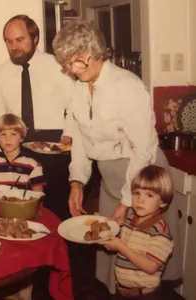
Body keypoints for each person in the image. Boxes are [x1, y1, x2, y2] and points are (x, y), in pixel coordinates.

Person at [52, 19, 182, 294]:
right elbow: (79, 142)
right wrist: (77, 182)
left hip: (144, 181)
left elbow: (142, 150)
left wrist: (127, 200)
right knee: (117, 266)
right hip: (112, 181)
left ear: (95, 52)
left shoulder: (127, 86)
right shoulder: (77, 90)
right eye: (67, 63)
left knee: (146, 263)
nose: (72, 69)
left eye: (77, 61)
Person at [0, 14, 75, 220]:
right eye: (9, 41)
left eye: (20, 40)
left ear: (35, 38)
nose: (14, 46)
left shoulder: (58, 66)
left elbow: (75, 106)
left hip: (55, 148)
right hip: (18, 146)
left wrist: (69, 135)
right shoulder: (1, 73)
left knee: (56, 210)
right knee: (20, 209)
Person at [100, 165, 174, 299]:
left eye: (149, 195)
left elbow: (151, 266)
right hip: (122, 291)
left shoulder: (159, 230)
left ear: (163, 202)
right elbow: (122, 244)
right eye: (136, 193)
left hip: (144, 295)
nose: (140, 200)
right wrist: (106, 234)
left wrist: (121, 247)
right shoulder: (129, 218)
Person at [0, 113, 45, 192]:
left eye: (13, 134)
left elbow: (38, 196)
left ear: (21, 137)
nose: (8, 138)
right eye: (3, 134)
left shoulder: (33, 165)